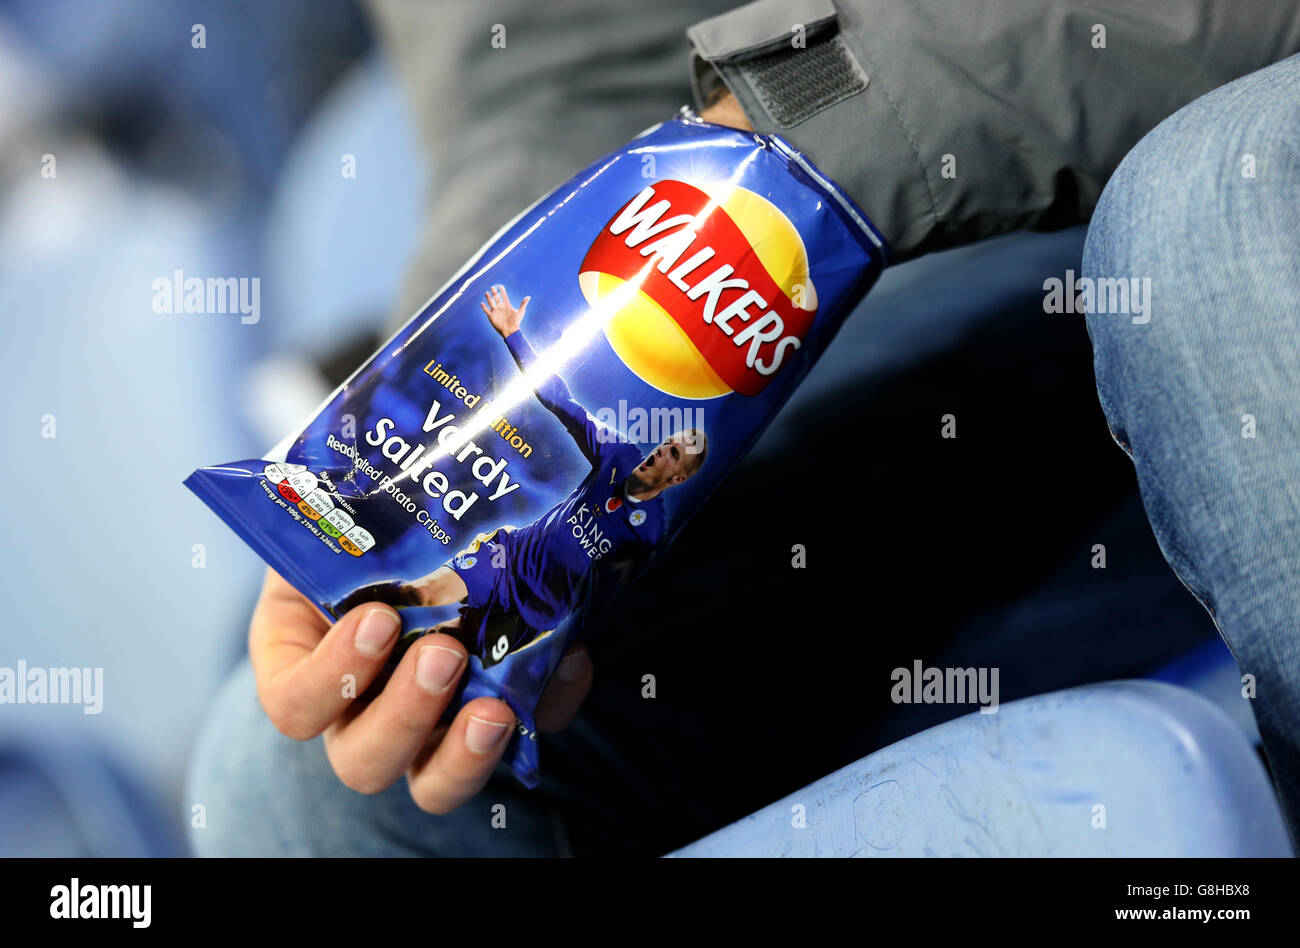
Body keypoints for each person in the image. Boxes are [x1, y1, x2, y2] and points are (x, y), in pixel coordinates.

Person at [188, 0, 1300, 854]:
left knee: (1212, 218)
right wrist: (449, 426)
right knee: (307, 775)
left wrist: (814, 119)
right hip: (878, 225)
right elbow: (553, 67)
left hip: (1104, 145)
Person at [332, 285, 707, 668]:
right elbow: (560, 399)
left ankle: (375, 667)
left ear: (678, 478)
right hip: (507, 560)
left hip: (539, 609)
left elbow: (619, 594)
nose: (661, 451)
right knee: (422, 593)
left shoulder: (650, 531)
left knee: (445, 642)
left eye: (673, 454)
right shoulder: (619, 455)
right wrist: (512, 335)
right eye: (666, 443)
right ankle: (335, 612)